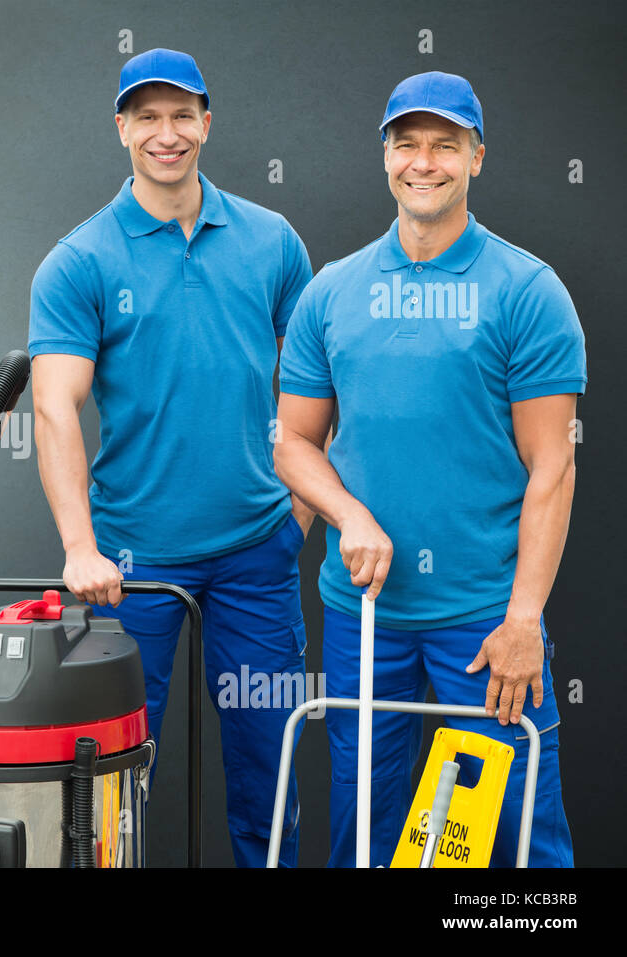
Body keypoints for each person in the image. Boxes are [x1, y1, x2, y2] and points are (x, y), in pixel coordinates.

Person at [275, 71, 581, 866]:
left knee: (512, 831)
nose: (425, 161)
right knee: (367, 828)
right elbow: (293, 442)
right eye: (407, 143)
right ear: (385, 158)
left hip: (483, 620)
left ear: (476, 156)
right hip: (363, 613)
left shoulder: (527, 291)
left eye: (446, 144)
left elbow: (552, 467)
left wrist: (522, 622)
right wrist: (350, 515)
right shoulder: (332, 293)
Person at [28, 48, 314, 867]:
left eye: (182, 115)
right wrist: (80, 547)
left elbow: (315, 389)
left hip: (256, 555)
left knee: (272, 765)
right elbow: (54, 407)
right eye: (147, 117)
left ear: (207, 124)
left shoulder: (270, 241)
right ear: (121, 129)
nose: (167, 133)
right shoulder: (80, 260)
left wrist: (296, 516)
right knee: (113, 777)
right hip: (131, 563)